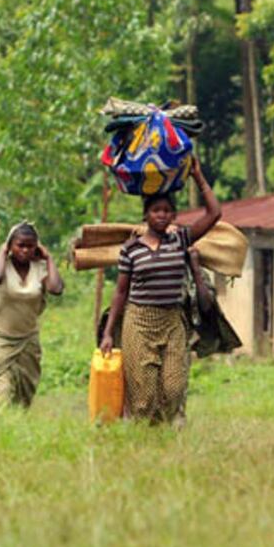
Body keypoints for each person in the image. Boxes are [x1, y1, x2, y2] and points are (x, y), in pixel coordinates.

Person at [99, 158, 221, 424]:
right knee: (142, 397)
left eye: (167, 211)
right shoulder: (131, 250)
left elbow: (214, 214)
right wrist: (109, 332)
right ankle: (145, 443)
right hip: (139, 323)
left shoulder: (180, 240)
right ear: (146, 215)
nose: (162, 215)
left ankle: (163, 431)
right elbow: (120, 293)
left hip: (172, 323)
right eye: (156, 210)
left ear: (174, 216)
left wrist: (198, 177)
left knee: (174, 389)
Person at [0, 222, 64, 407]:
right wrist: (3, 252)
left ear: (37, 247)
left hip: (27, 339)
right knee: (2, 391)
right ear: (11, 245)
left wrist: (49, 258)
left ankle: (15, 428)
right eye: (20, 245)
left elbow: (55, 288)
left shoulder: (40, 267)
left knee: (24, 393)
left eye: (30, 246)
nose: (25, 250)